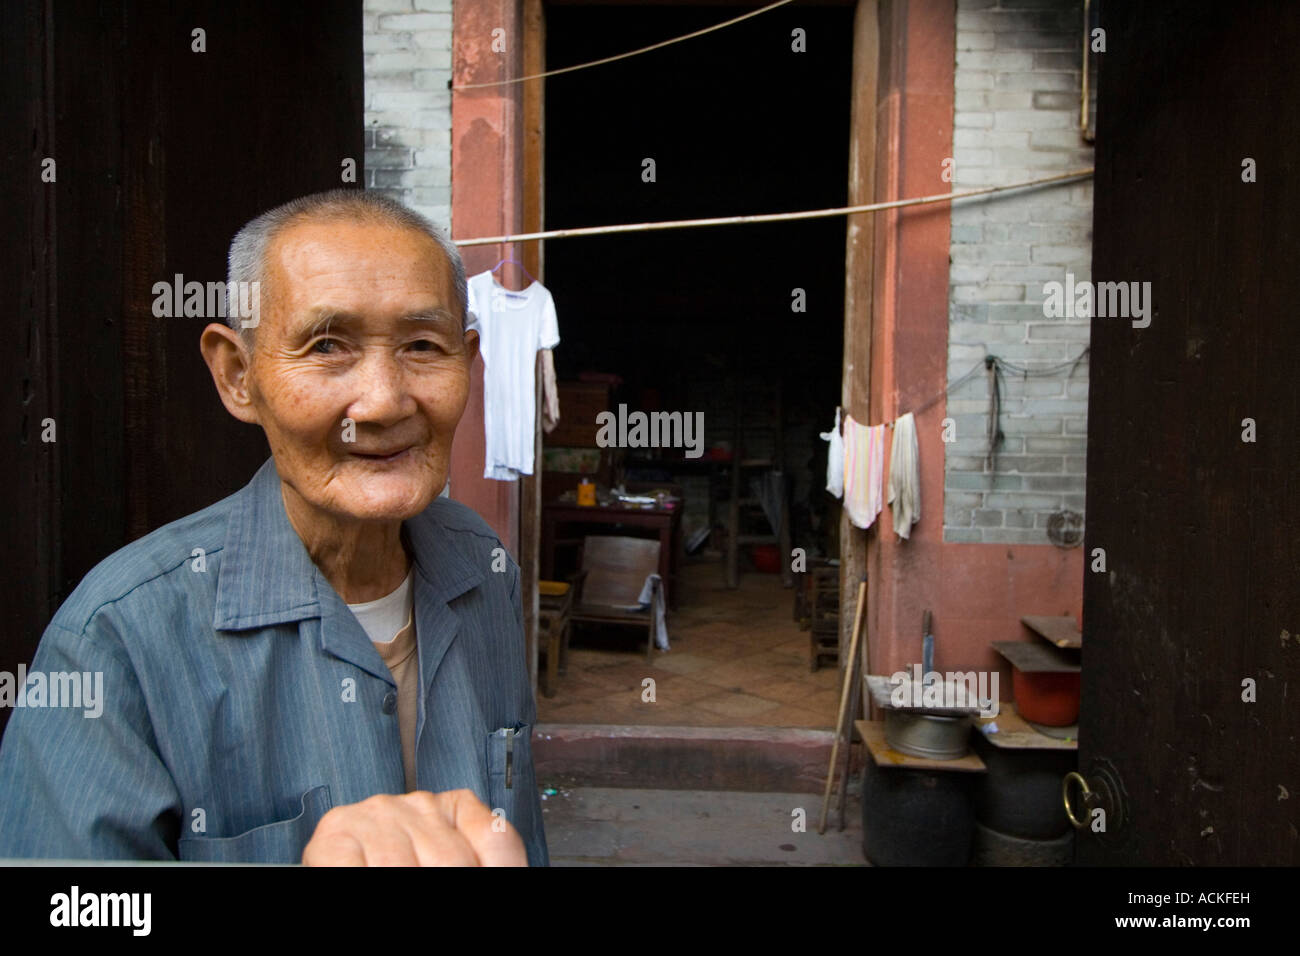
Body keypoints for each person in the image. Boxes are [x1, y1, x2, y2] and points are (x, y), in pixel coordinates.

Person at [0, 189, 547, 866]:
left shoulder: (484, 569)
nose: (382, 401)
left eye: (422, 345)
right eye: (326, 345)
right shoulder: (119, 637)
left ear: (466, 361)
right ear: (238, 375)